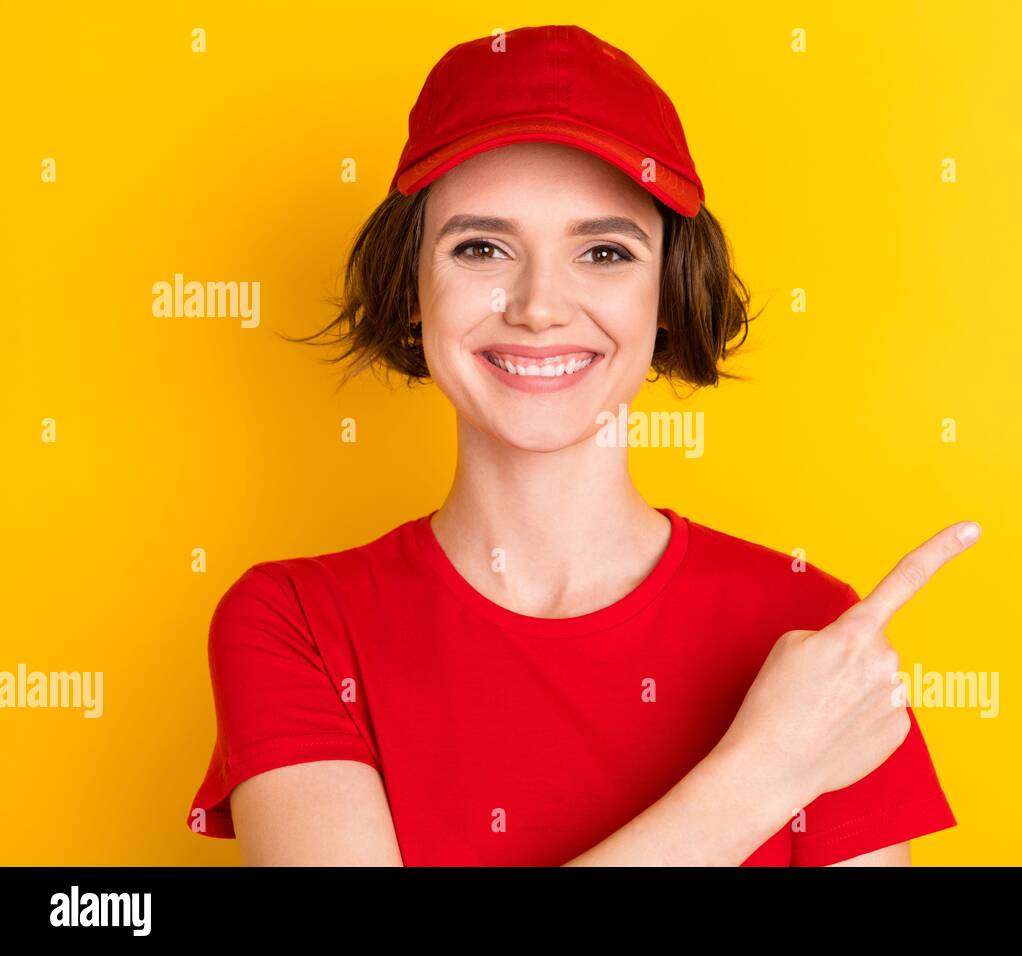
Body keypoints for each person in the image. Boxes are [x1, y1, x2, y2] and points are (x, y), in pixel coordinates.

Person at [185, 23, 978, 866]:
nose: (538, 305)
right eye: (481, 247)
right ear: (410, 287)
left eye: (604, 251)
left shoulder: (815, 636)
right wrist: (766, 774)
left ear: (669, 294)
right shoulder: (293, 625)